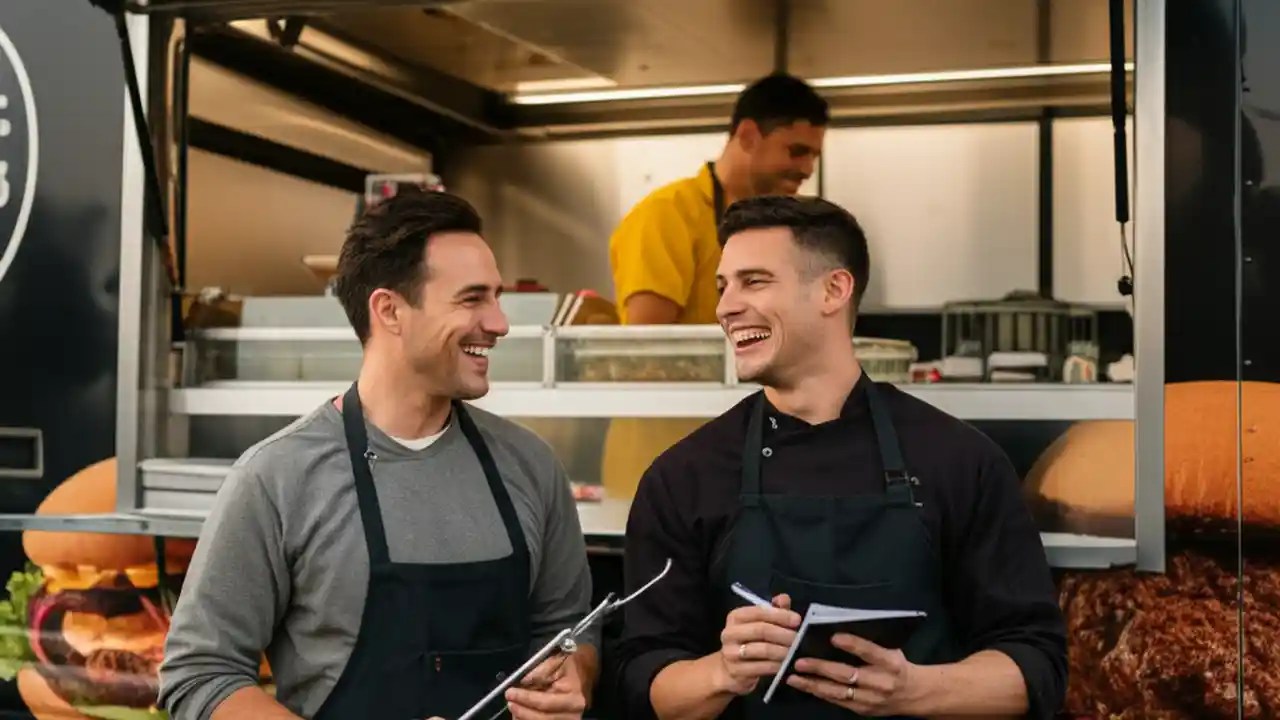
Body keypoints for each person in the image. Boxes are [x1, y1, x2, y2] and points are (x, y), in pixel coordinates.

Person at [613, 196, 1068, 719]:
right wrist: (721, 671)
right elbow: (642, 679)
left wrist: (914, 690)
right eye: (723, 286)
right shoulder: (683, 477)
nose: (725, 307)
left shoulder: (962, 462)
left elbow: (1037, 665)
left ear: (834, 289)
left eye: (754, 281)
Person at [157, 188, 598, 720]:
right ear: (389, 309)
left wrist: (575, 673)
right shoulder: (277, 478)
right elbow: (200, 675)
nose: (500, 322)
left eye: (497, 297)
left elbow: (571, 628)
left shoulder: (530, 465)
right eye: (473, 298)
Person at [601, 73, 830, 500]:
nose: (806, 168)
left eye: (813, 156)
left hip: (740, 460)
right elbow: (649, 349)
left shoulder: (774, 229)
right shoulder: (666, 216)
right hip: (661, 464)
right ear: (747, 135)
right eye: (796, 150)